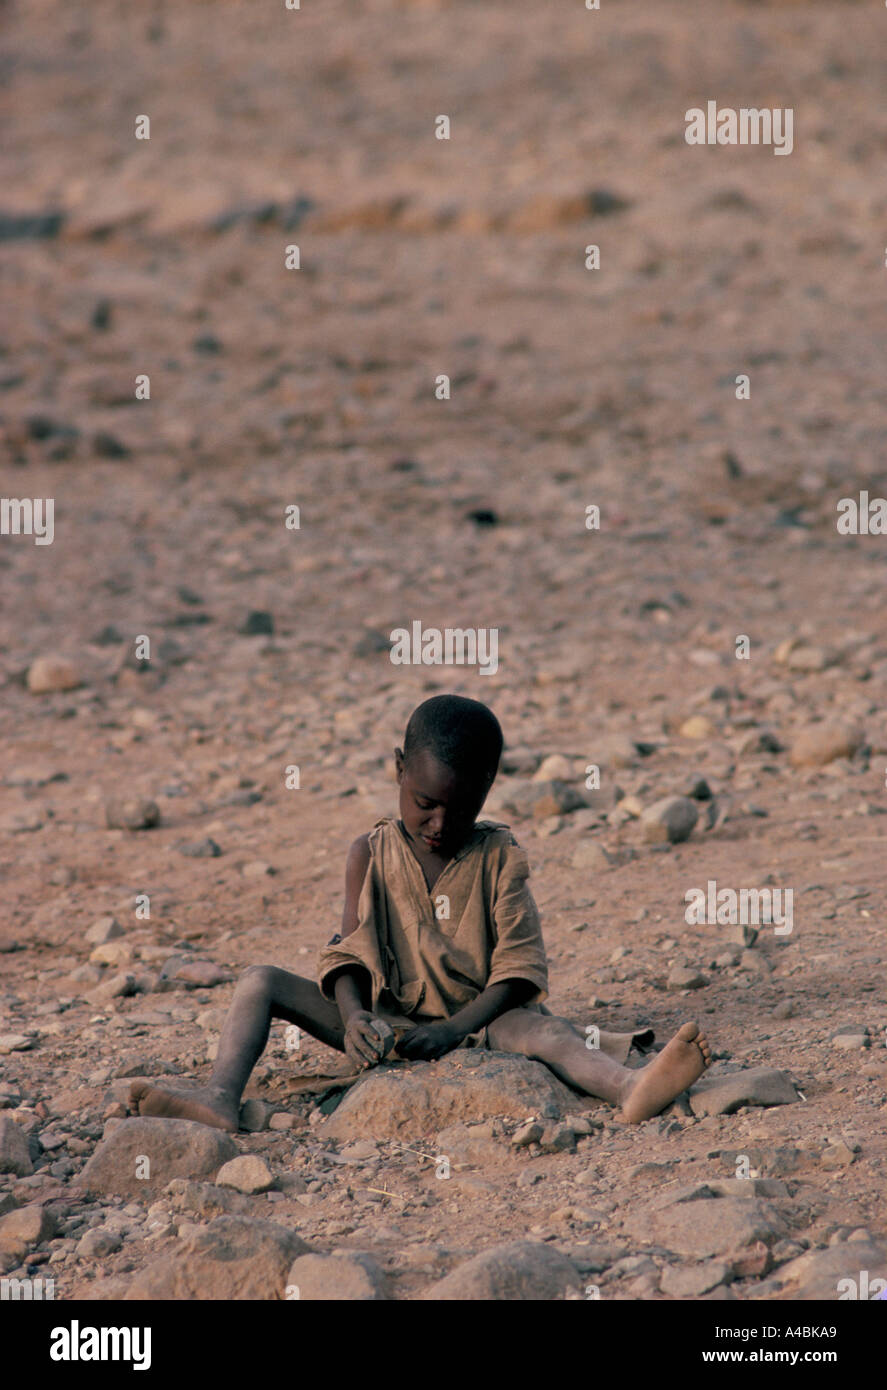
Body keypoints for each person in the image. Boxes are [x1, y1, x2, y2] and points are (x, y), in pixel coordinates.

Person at [131, 694, 710, 1132]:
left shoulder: (500, 857)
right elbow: (350, 950)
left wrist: (455, 1028)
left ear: (486, 792)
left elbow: (517, 971)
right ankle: (218, 1098)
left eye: (458, 812)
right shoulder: (370, 852)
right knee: (259, 980)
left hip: (481, 1024)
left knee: (545, 1030)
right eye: (425, 804)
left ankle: (630, 1086)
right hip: (390, 1027)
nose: (438, 825)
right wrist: (356, 1018)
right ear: (398, 769)